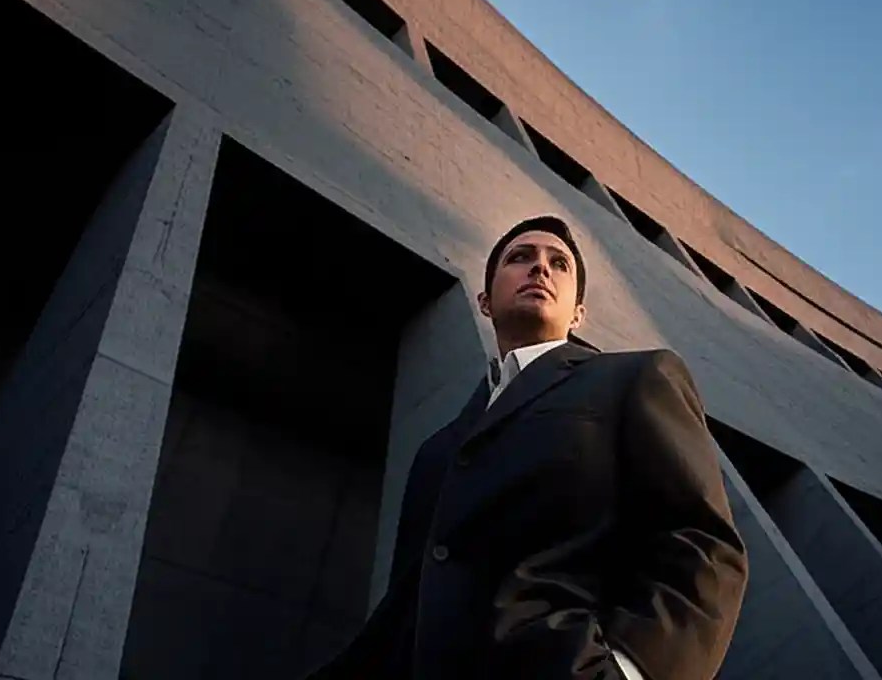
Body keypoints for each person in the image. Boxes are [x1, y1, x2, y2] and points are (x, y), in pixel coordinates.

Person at [307, 215, 748, 679]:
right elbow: (408, 602)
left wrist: (627, 671)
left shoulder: (635, 378)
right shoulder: (436, 450)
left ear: (578, 314)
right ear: (484, 301)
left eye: (558, 264)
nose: (540, 268)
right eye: (521, 258)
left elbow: (701, 540)